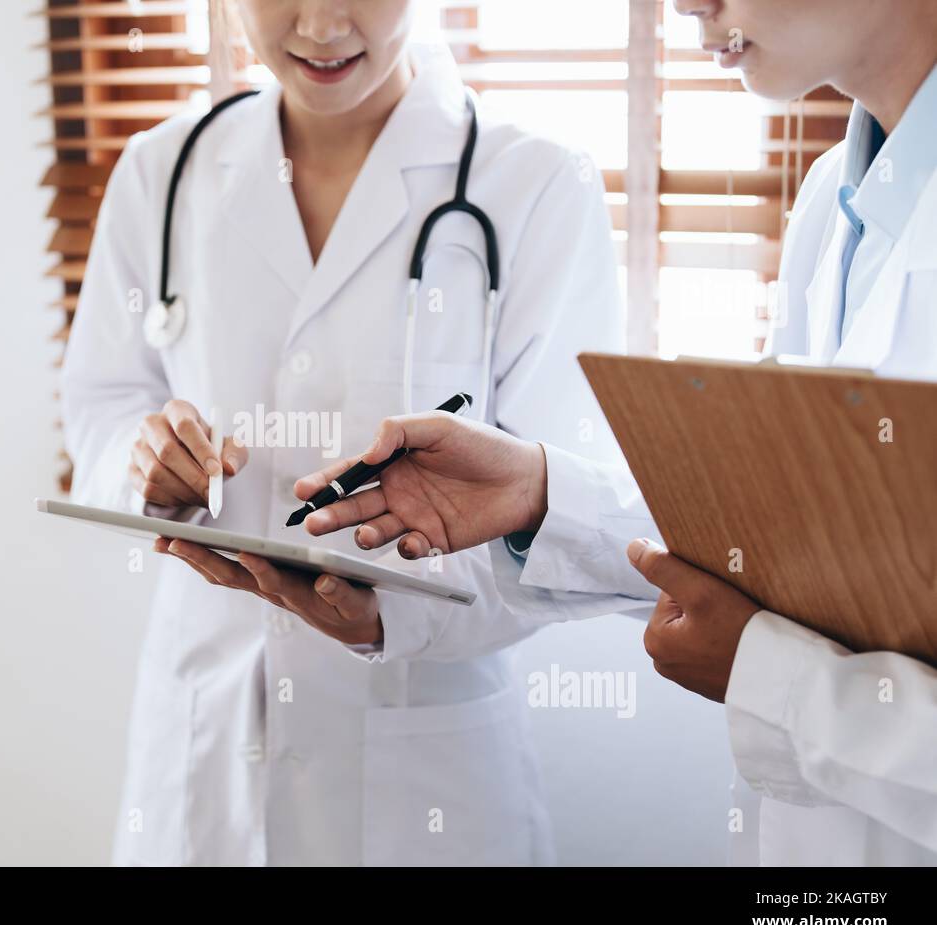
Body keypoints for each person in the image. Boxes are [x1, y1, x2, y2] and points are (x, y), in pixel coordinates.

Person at [297, 0, 937, 865]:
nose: (685, 6)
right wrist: (537, 494)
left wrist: (773, 686)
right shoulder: (836, 201)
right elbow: (792, 541)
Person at [61, 0, 624, 865]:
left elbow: (570, 513)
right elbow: (101, 403)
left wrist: (385, 620)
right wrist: (147, 466)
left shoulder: (539, 183)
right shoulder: (159, 173)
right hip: (205, 742)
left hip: (427, 766)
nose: (322, 25)